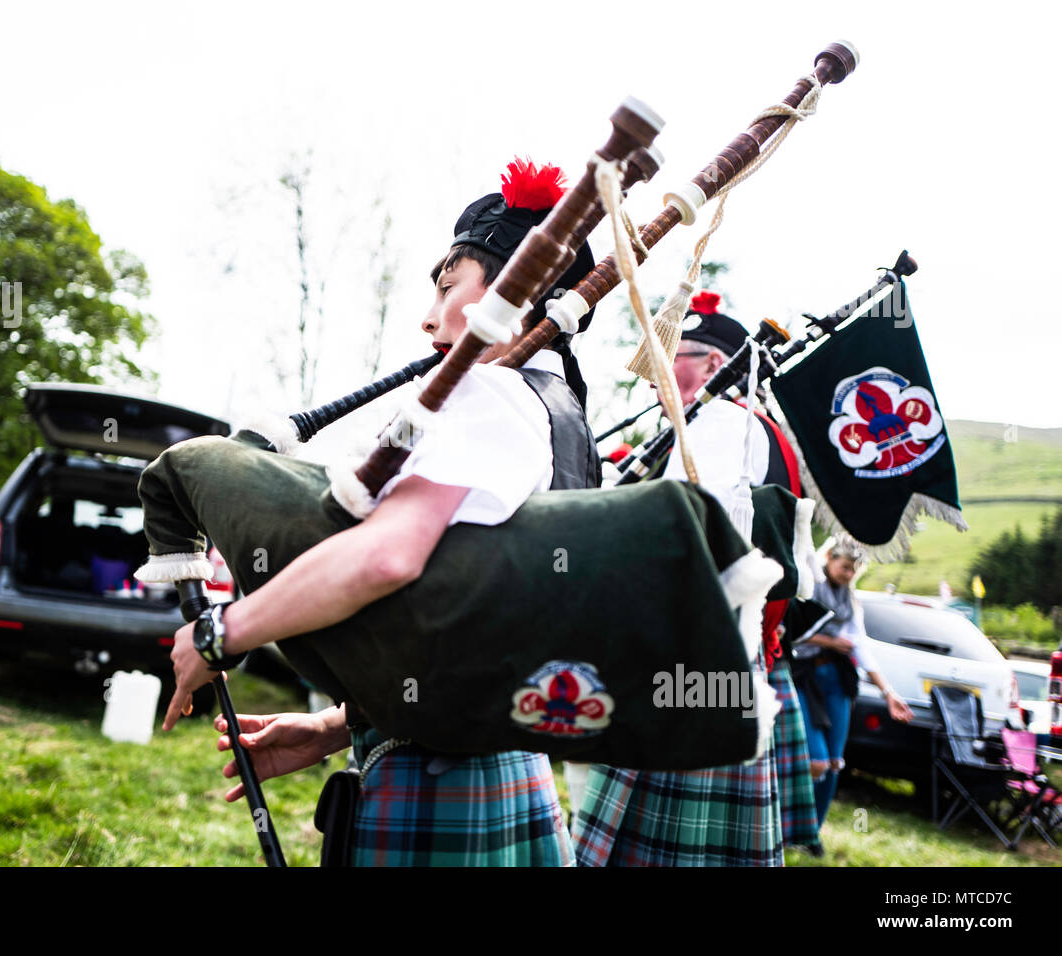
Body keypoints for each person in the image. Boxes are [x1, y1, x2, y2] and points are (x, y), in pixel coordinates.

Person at [161, 159, 602, 865]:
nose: (428, 316)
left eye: (448, 288)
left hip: (446, 779)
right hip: (487, 765)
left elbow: (388, 556)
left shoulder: (491, 395)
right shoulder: (561, 410)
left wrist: (222, 631)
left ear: (514, 292)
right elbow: (458, 622)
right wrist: (339, 726)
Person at [571, 293, 818, 865]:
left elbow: (694, 537)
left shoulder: (720, 422)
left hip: (693, 648)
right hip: (724, 649)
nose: (655, 370)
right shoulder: (747, 424)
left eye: (673, 355)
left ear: (713, 366)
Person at [792, 542, 913, 827]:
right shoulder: (809, 587)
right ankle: (792, 824)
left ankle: (812, 833)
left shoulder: (850, 600)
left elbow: (860, 647)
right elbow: (791, 633)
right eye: (845, 567)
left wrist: (888, 693)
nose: (849, 574)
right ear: (830, 559)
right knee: (816, 761)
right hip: (807, 677)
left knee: (834, 761)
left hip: (838, 680)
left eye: (854, 569)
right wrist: (830, 642)